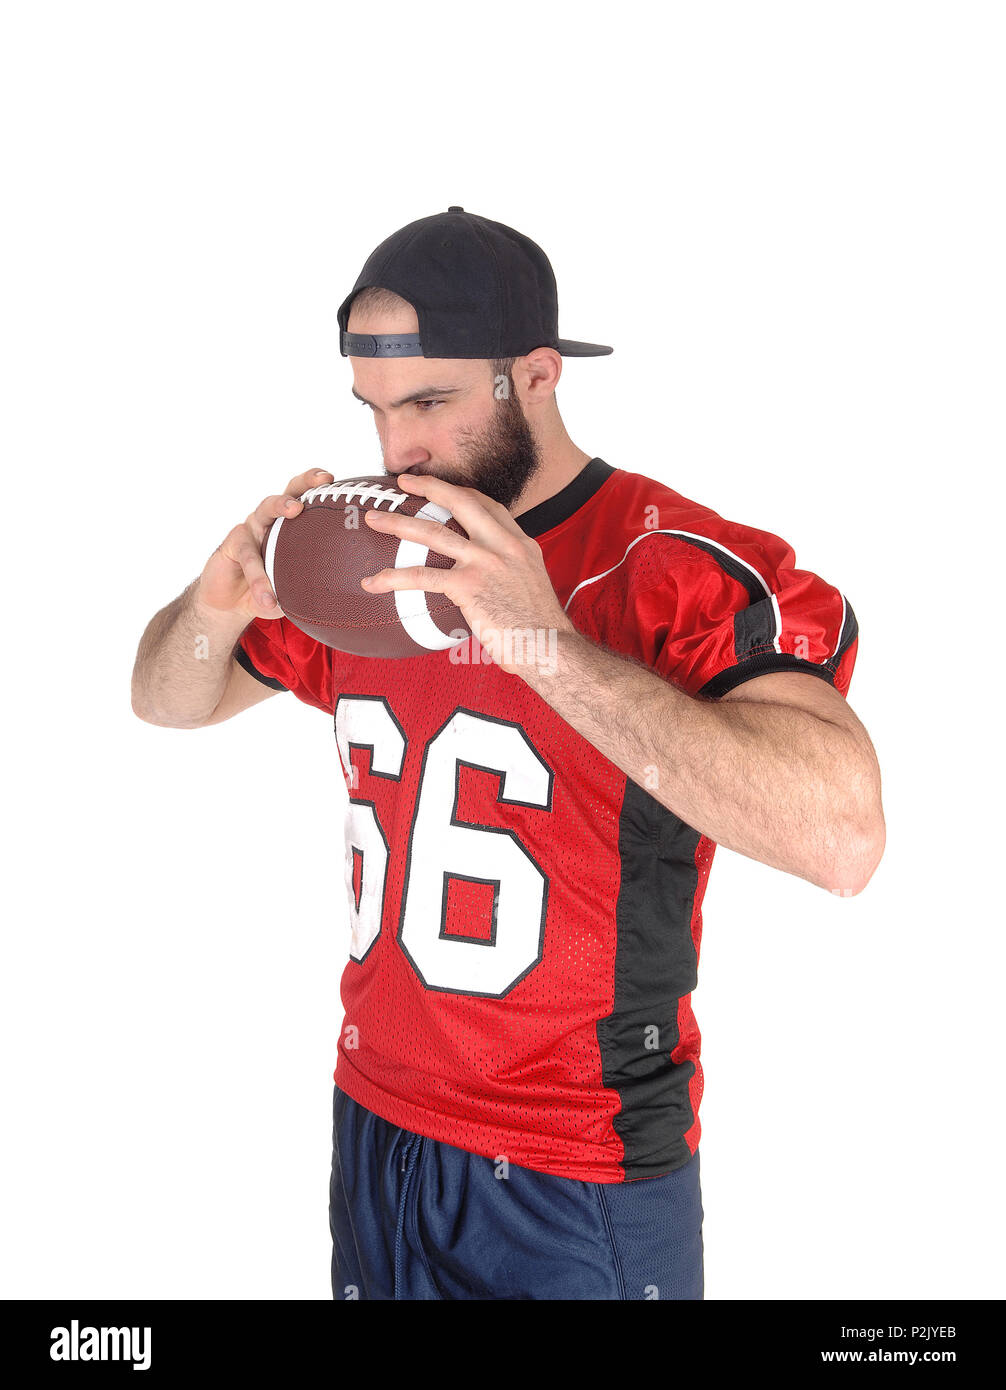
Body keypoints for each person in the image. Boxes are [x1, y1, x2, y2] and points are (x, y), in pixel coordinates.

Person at [132, 207, 885, 1301]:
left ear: (535, 374)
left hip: (571, 1165)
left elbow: (844, 838)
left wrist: (543, 642)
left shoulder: (665, 562)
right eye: (376, 409)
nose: (397, 452)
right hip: (375, 1121)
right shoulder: (368, 567)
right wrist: (213, 606)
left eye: (429, 401)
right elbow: (164, 700)